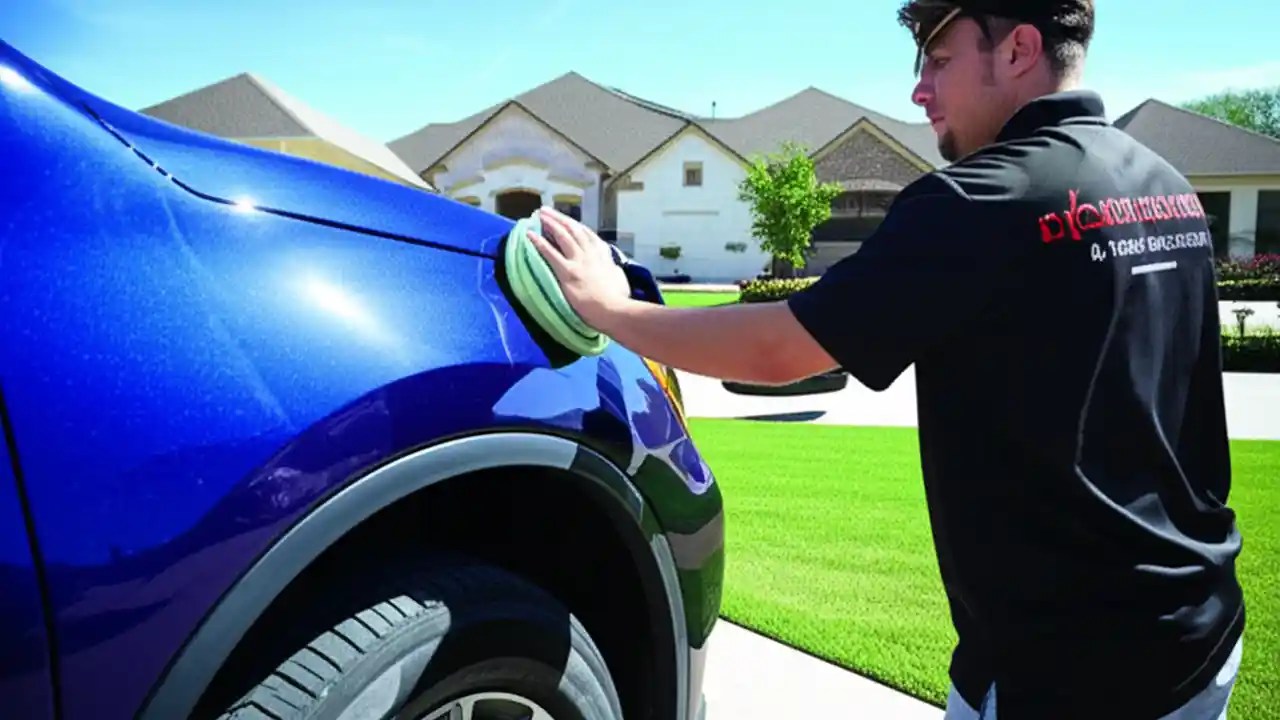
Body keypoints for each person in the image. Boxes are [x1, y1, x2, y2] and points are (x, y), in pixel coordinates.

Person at [526, 0, 1247, 717]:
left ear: (1019, 49)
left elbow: (782, 347)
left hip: (1070, 672)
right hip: (1202, 630)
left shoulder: (980, 198)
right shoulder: (1168, 190)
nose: (919, 92)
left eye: (940, 62)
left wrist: (611, 310)